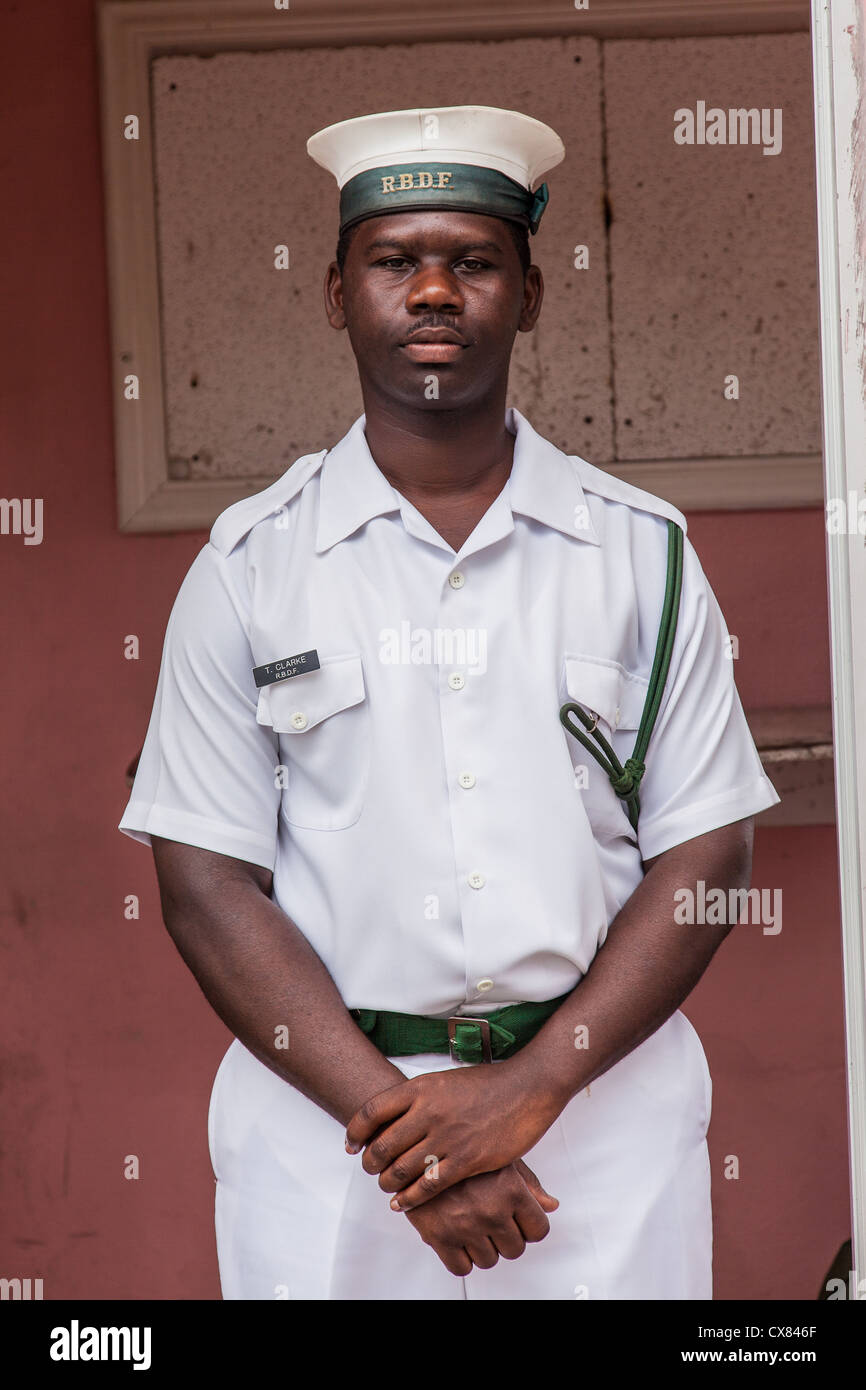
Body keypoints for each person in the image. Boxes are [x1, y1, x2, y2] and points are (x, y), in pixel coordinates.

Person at [119, 105, 781, 1300]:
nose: (432, 290)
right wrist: (414, 1135)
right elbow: (204, 882)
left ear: (527, 296)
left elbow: (711, 847)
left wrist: (530, 1089)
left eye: (472, 261)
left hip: (598, 1118)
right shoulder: (248, 566)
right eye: (394, 260)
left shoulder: (641, 555)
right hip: (325, 1139)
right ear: (337, 294)